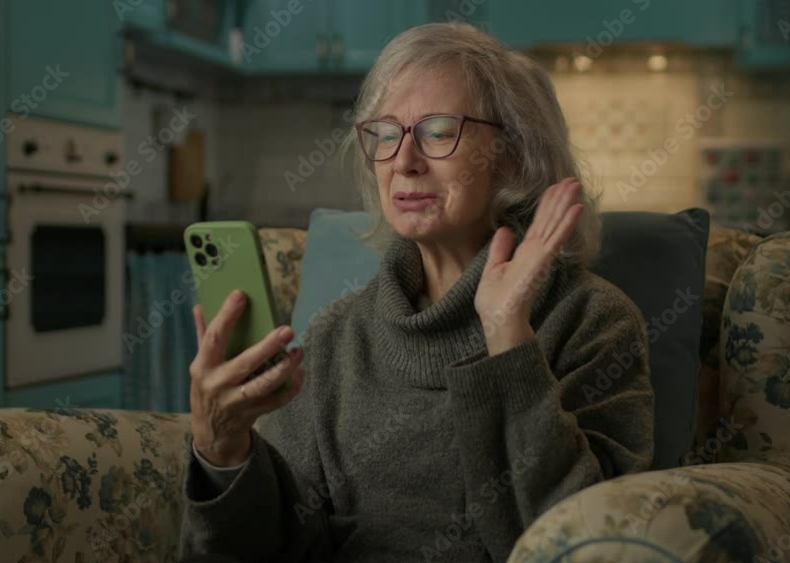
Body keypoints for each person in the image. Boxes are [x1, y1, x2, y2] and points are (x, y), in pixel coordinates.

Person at [179, 22, 654, 563]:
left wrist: (508, 339)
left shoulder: (593, 320)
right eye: (385, 133)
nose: (403, 161)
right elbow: (283, 547)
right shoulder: (339, 336)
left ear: (513, 155)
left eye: (437, 130)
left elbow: (585, 544)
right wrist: (224, 453)